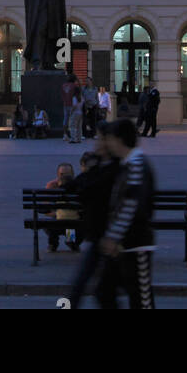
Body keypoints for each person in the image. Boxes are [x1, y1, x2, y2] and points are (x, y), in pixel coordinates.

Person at [97, 118, 156, 309]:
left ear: (120, 139)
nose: (109, 143)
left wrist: (113, 237)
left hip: (136, 243)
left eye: (111, 139)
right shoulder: (128, 163)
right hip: (125, 244)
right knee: (108, 291)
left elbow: (131, 204)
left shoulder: (137, 164)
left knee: (141, 300)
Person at [63, 146, 119, 307]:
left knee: (67, 224)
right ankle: (72, 242)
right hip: (88, 227)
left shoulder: (88, 177)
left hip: (74, 225)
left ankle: (68, 243)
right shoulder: (105, 175)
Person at [44, 162, 80, 252]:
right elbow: (46, 209)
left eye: (67, 174)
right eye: (62, 174)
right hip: (59, 218)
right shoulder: (52, 185)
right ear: (57, 174)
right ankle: (57, 242)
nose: (64, 176)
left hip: (73, 220)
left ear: (73, 174)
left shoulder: (79, 185)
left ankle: (69, 241)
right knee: (65, 221)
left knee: (71, 221)